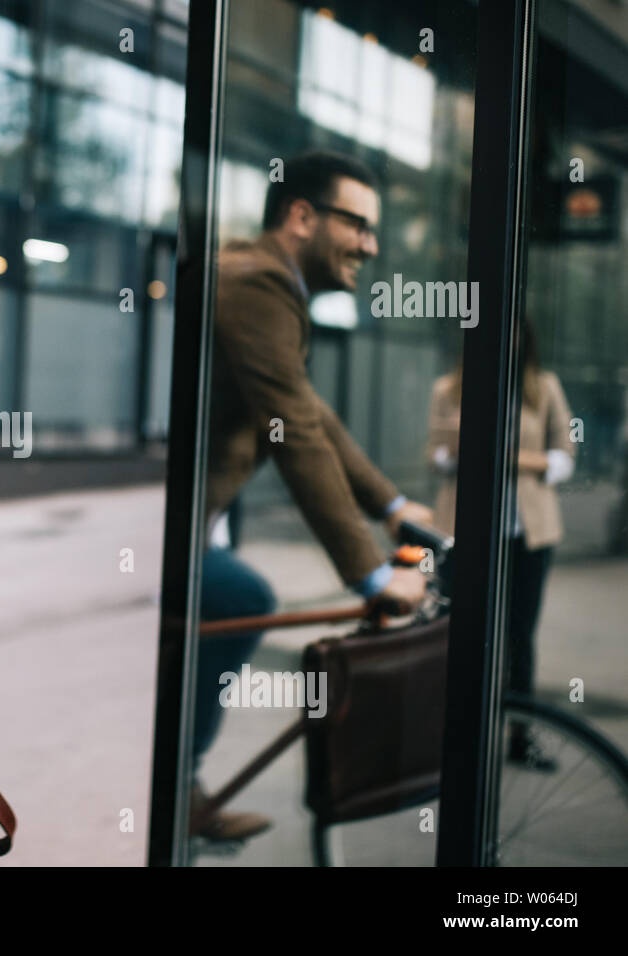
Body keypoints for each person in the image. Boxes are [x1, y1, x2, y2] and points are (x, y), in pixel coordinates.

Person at [191, 150, 435, 841]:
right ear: (301, 216)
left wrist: (393, 508)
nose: (372, 245)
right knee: (239, 598)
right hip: (163, 529)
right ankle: (178, 783)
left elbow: (310, 412)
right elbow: (294, 432)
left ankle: (179, 778)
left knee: (227, 600)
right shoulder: (257, 283)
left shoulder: (267, 282)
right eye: (358, 224)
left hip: (194, 522)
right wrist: (373, 573)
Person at [427, 319, 575, 771]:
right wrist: (459, 451)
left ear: (523, 340)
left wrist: (509, 457)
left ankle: (519, 736)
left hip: (528, 534)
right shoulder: (449, 388)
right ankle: (446, 734)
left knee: (519, 637)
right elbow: (434, 456)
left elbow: (564, 460)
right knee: (452, 630)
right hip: (463, 529)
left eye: (512, 332)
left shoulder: (544, 388)